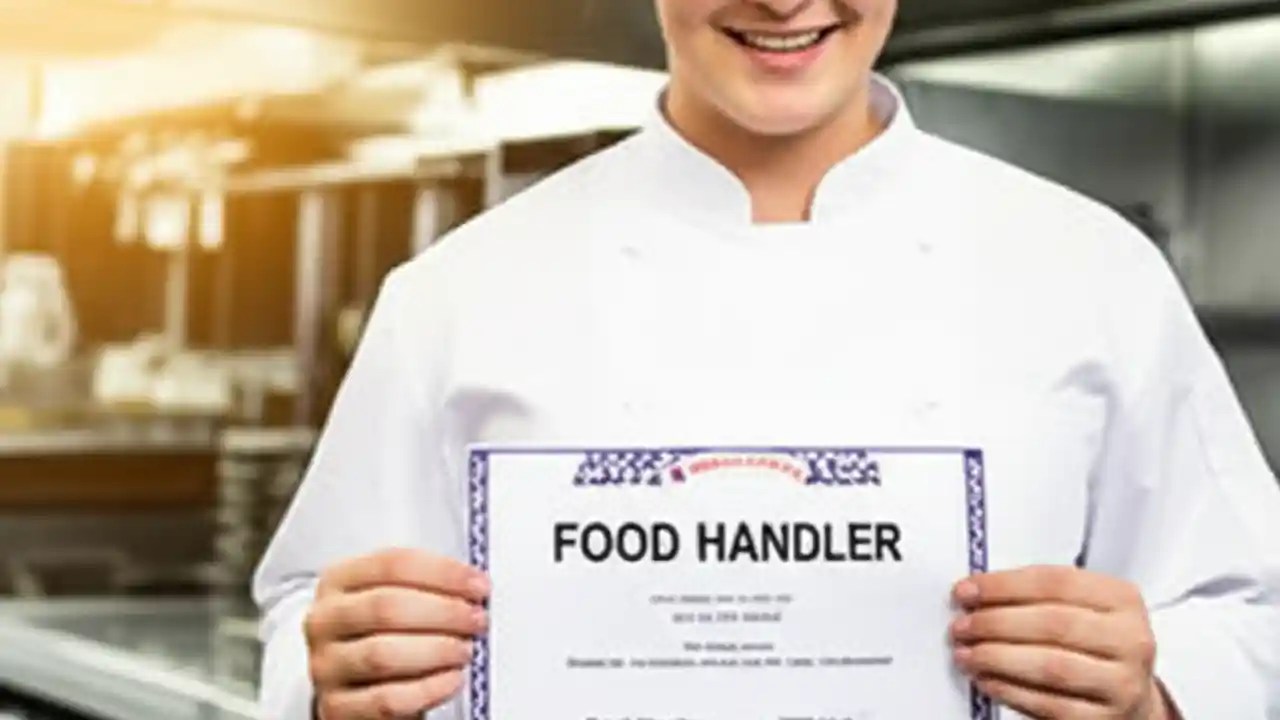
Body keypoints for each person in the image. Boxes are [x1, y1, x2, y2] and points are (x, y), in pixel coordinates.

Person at [253, 1, 1280, 718]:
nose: (784, 0)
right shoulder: (455, 291)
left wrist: (1156, 691)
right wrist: (336, 675)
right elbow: (311, 612)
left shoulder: (1091, 267)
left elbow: (1248, 611)